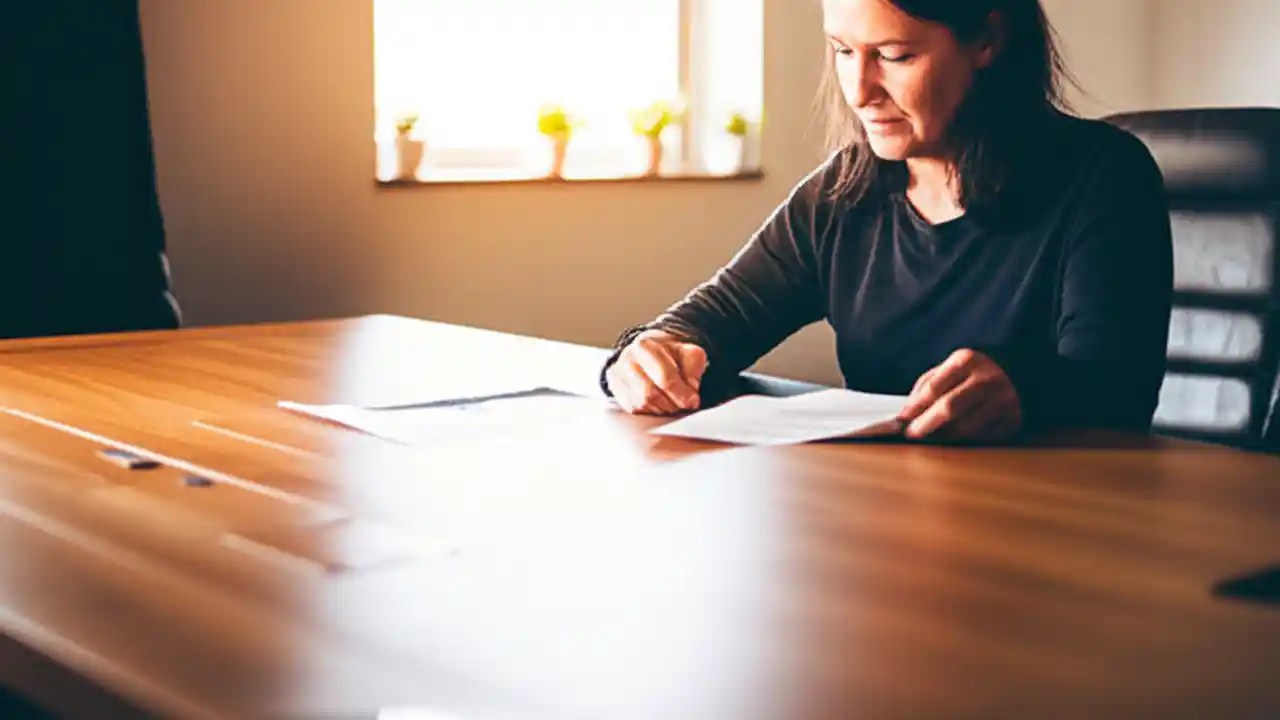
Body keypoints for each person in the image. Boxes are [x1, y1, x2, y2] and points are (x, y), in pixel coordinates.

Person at [600, 0, 1173, 443]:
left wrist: (1026, 389)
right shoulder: (842, 193)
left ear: (989, 39)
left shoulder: (1103, 177)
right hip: (884, 525)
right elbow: (705, 326)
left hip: (1054, 529)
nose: (859, 91)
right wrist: (646, 355)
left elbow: (1116, 394)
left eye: (895, 56)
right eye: (843, 51)